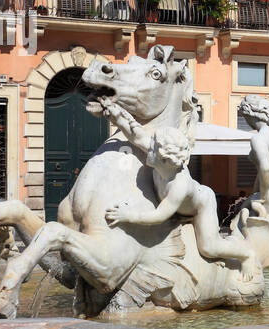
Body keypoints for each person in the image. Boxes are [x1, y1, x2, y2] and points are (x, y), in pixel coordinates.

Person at [100, 98, 257, 270]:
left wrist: (127, 215)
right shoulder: (161, 158)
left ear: (165, 159)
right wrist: (116, 115)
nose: (147, 149)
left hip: (201, 205)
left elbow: (159, 216)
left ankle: (246, 254)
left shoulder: (178, 185)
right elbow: (137, 135)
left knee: (209, 248)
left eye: (152, 149)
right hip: (178, 206)